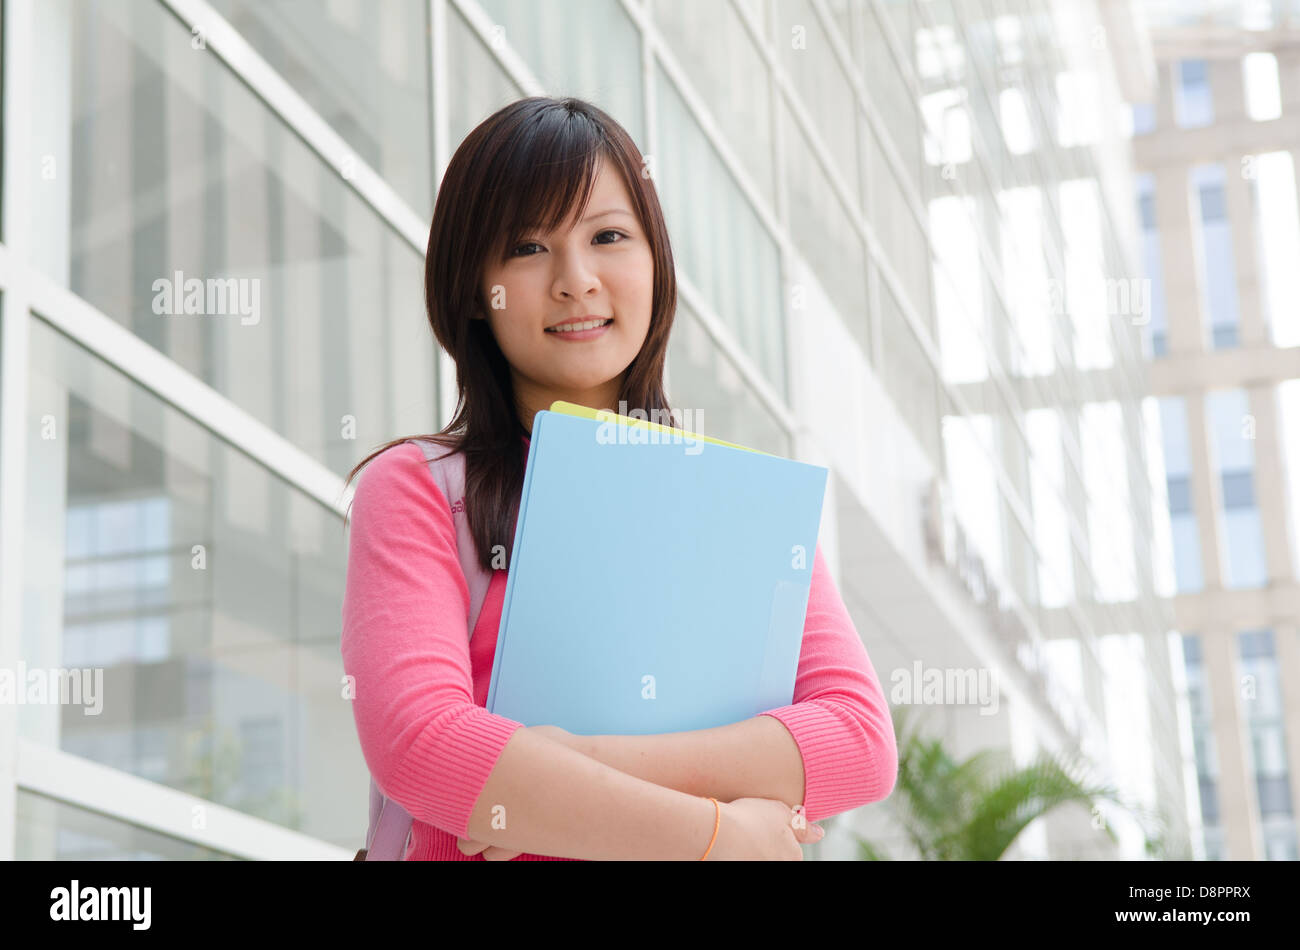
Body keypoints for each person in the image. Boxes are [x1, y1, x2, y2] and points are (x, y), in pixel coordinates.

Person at [340, 96, 897, 860]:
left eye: (608, 236)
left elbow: (857, 743)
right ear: (476, 287)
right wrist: (718, 835)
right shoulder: (422, 491)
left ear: (654, 262)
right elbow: (423, 744)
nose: (576, 281)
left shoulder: (738, 505)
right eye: (528, 248)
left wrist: (569, 765)